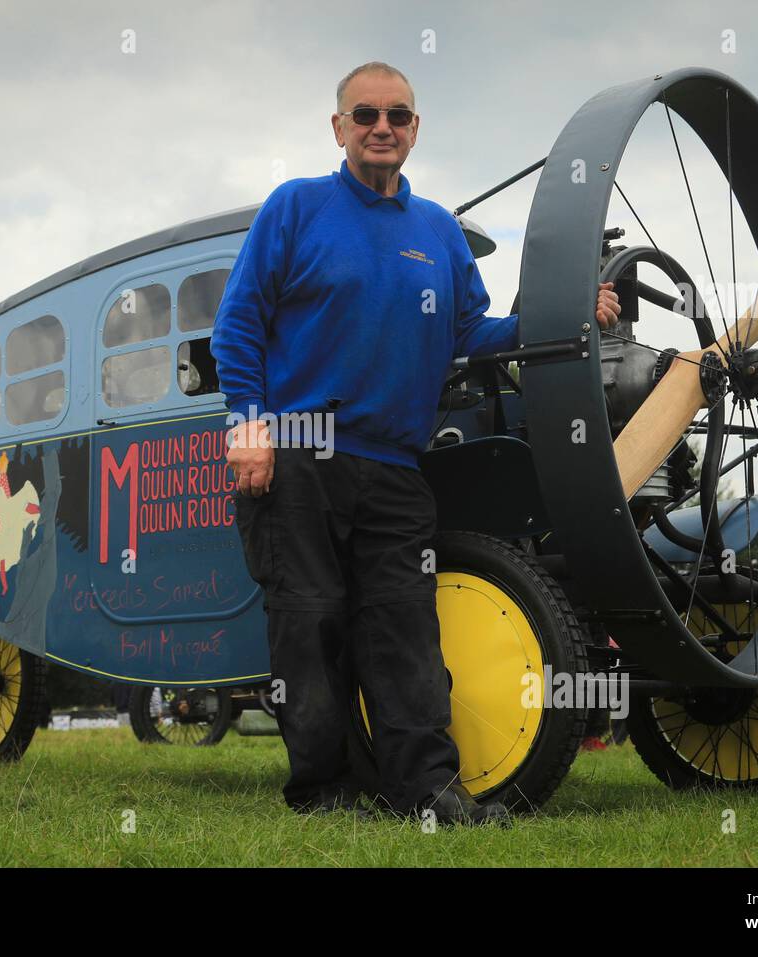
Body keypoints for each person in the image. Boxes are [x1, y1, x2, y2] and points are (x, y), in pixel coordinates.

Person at [211, 62, 620, 826]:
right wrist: (248, 424)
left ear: (415, 128)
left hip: (398, 465)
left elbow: (474, 333)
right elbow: (238, 324)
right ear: (339, 127)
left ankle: (427, 791)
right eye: (365, 114)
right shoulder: (295, 207)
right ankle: (323, 794)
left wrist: (566, 315)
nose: (382, 127)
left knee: (405, 628)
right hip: (301, 453)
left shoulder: (436, 230)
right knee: (312, 622)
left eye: (397, 115)